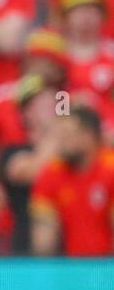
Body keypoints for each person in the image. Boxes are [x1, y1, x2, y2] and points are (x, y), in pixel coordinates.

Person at [30, 107, 114, 256]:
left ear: (88, 136)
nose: (60, 143)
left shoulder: (110, 168)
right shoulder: (51, 174)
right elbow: (44, 239)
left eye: (67, 135)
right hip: (70, 269)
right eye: (59, 136)